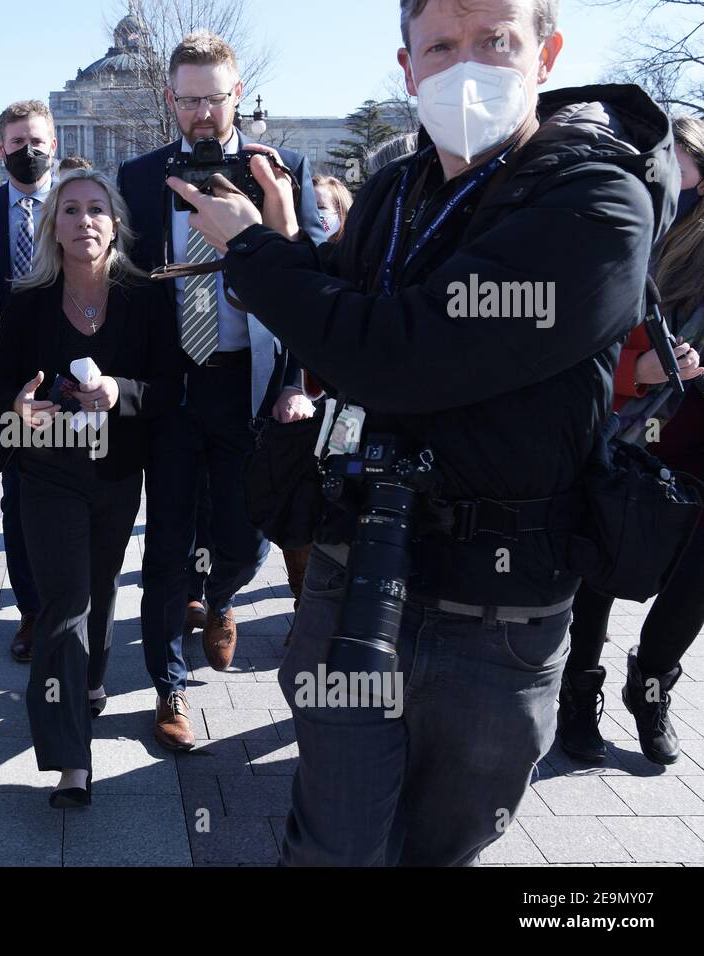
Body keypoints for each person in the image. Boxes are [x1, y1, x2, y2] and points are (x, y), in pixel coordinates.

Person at [170, 0, 676, 865]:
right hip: (360, 568)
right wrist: (290, 247)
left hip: (498, 609)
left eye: (495, 41)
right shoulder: (394, 191)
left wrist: (257, 251)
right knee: (334, 844)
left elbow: (400, 353)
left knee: (442, 848)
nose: (466, 65)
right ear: (407, 69)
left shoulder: (597, 199)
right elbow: (338, 310)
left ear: (545, 53)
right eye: (441, 45)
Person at [117, 30, 325, 752]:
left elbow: (310, 290)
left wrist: (295, 382)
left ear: (238, 95)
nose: (202, 113)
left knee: (244, 534)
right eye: (189, 100)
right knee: (168, 542)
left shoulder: (282, 170)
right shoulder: (141, 177)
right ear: (172, 101)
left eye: (214, 98)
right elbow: (129, 289)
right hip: (175, 387)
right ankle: (168, 689)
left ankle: (225, 594)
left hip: (252, 386)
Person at [0, 170, 181, 806]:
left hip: (117, 472)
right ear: (53, 227)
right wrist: (17, 406)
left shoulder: (144, 298)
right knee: (64, 605)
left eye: (96, 209)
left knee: (100, 592)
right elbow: (3, 383)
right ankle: (72, 760)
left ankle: (91, 680)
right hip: (46, 473)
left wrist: (118, 392)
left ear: (116, 222)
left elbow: (168, 389)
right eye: (69, 210)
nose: (84, 221)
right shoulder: (27, 301)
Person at [557, 115, 704, 767]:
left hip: (700, 428)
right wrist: (634, 372)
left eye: (681, 155)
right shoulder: (623, 221)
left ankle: (652, 686)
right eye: (662, 154)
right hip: (629, 425)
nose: (668, 165)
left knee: (695, 579)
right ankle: (576, 699)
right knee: (604, 564)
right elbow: (572, 331)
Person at [0, 100, 59, 662]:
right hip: (7, 378)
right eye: (19, 142)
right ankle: (31, 610)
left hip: (73, 374)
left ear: (55, 142)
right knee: (18, 494)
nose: (30, 151)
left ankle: (71, 602)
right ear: (1, 148)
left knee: (73, 490)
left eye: (39, 140)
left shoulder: (78, 206)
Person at [277, 174, 354, 611]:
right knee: (301, 501)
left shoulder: (358, 263)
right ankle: (302, 596)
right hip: (303, 407)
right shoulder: (296, 262)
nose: (316, 215)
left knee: (337, 500)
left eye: (323, 207)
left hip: (345, 411)